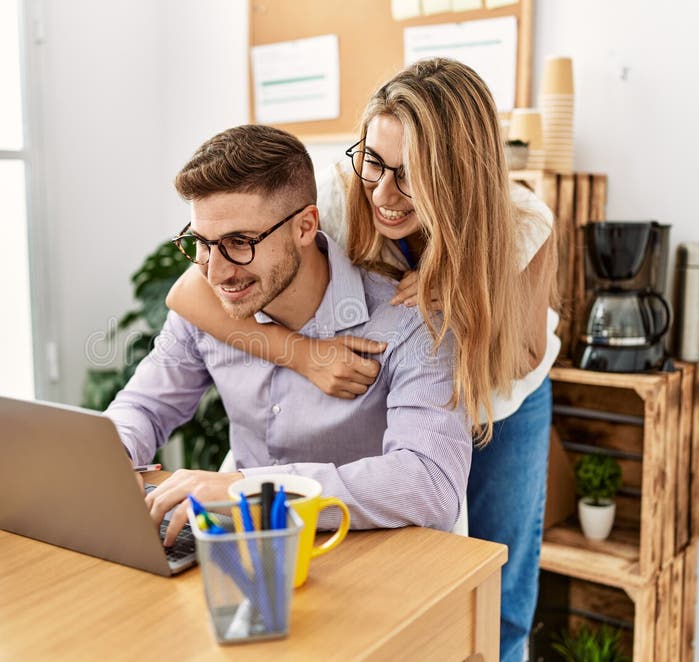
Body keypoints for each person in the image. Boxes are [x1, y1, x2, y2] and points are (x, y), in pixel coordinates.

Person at [165, 59, 557, 662]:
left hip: (502, 397)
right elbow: (187, 294)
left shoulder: (524, 224)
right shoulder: (333, 196)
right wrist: (305, 355)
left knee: (498, 578)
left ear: (461, 177)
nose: (384, 194)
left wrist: (459, 302)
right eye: (374, 162)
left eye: (414, 176)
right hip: (411, 390)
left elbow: (521, 356)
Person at [105, 123, 472, 547]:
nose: (216, 272)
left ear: (304, 227)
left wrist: (255, 490)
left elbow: (428, 483)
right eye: (202, 243)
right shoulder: (210, 307)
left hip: (360, 561)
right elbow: (144, 406)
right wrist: (112, 459)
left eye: (240, 242)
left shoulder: (410, 322)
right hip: (240, 555)